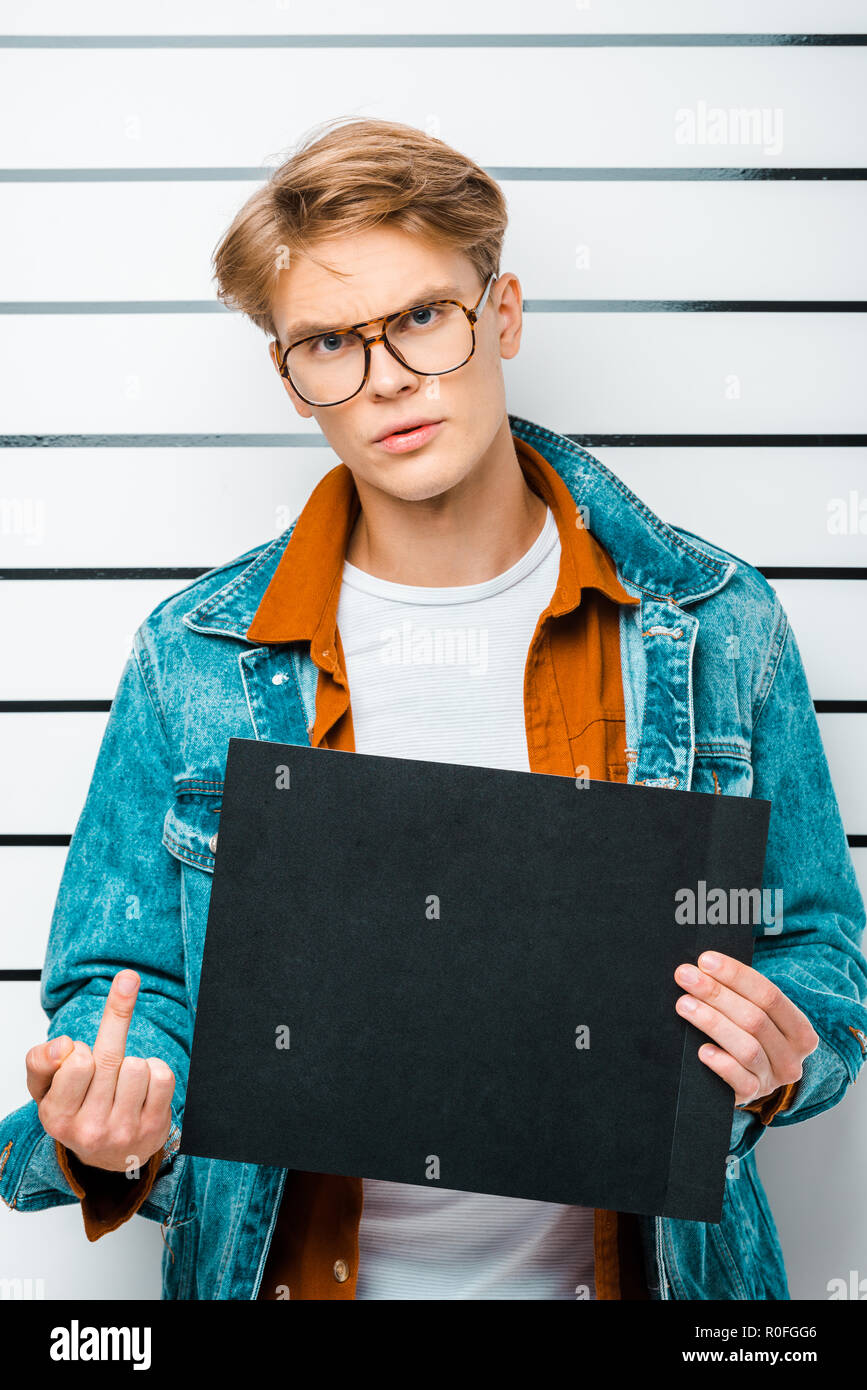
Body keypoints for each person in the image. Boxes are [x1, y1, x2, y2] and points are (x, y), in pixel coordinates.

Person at [2, 116, 865, 1301]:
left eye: (420, 316)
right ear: (290, 376)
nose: (388, 378)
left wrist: (781, 1050)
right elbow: (124, 997)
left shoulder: (718, 624)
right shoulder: (190, 659)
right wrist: (105, 1119)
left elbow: (819, 960)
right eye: (327, 342)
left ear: (500, 311)